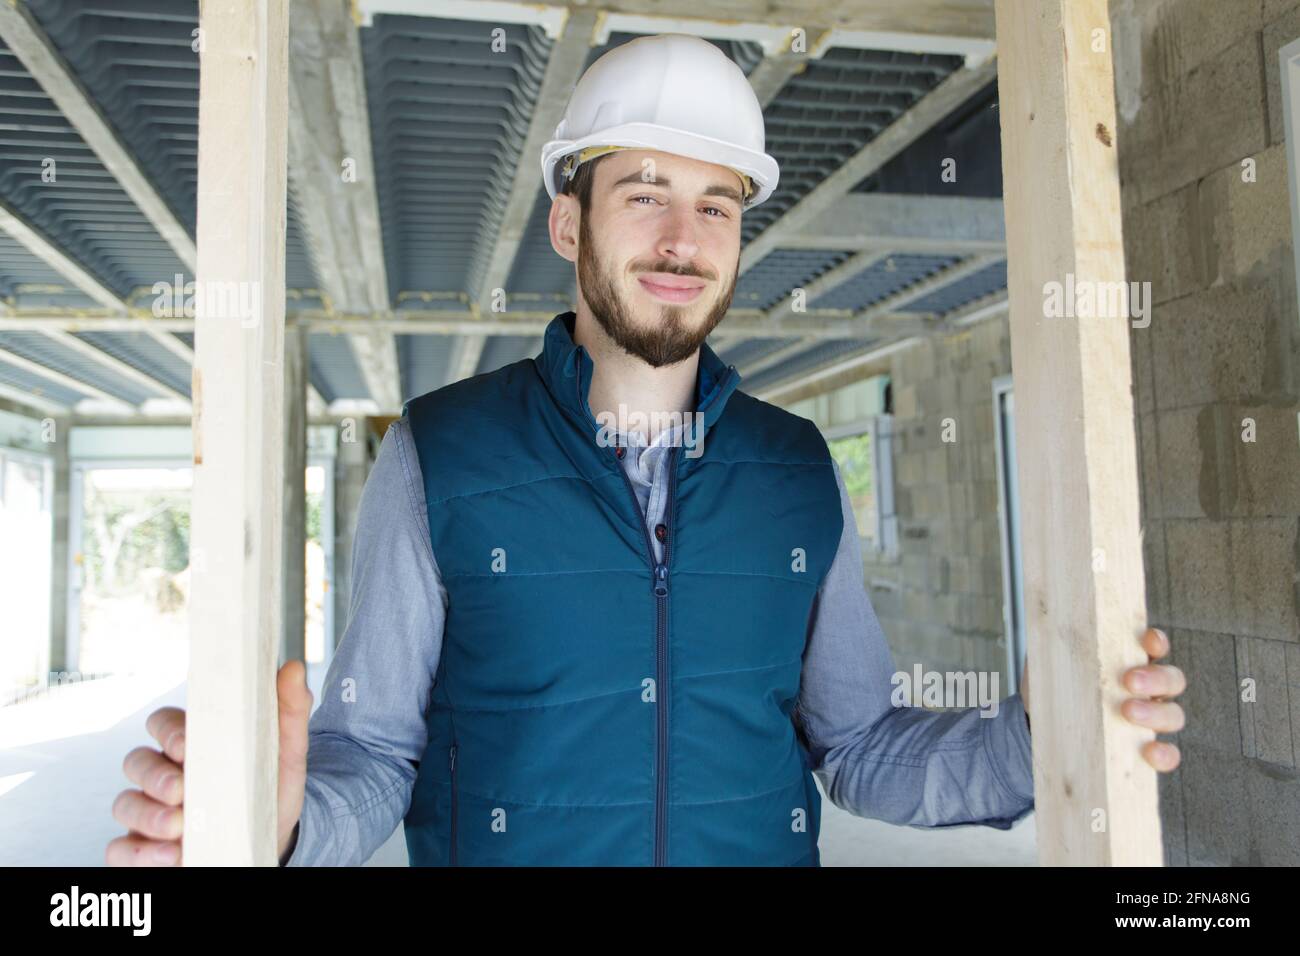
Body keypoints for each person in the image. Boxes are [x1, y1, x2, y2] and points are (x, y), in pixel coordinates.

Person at [107, 33, 1186, 867]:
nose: (682, 237)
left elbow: (858, 748)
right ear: (568, 224)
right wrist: (280, 816)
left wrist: (1033, 736)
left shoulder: (798, 469)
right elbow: (373, 756)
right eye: (643, 193)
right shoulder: (441, 455)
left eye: (715, 203)